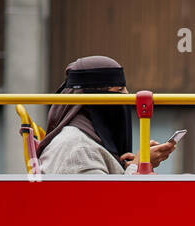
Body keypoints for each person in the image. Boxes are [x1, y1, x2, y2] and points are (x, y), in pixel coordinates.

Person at [37, 55, 177, 175]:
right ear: (95, 96)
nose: (127, 95)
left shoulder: (84, 138)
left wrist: (126, 167)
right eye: (120, 89)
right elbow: (104, 203)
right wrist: (139, 166)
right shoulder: (78, 148)